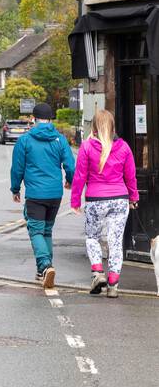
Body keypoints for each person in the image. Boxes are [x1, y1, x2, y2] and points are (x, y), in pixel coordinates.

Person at [70, 109, 139, 298]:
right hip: (119, 200)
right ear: (112, 126)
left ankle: (98, 272)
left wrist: (75, 201)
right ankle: (113, 286)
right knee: (115, 242)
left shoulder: (86, 147)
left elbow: (79, 177)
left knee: (93, 237)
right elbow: (130, 177)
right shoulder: (124, 147)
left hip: (96, 200)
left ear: (93, 126)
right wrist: (133, 198)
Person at [10, 102, 77, 289]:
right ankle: (43, 271)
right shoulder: (60, 139)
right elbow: (70, 166)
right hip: (55, 194)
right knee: (47, 230)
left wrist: (15, 189)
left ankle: (46, 265)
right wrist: (70, 181)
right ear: (51, 119)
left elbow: (17, 168)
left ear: (33, 118)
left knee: (36, 231)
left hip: (35, 195)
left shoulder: (25, 140)